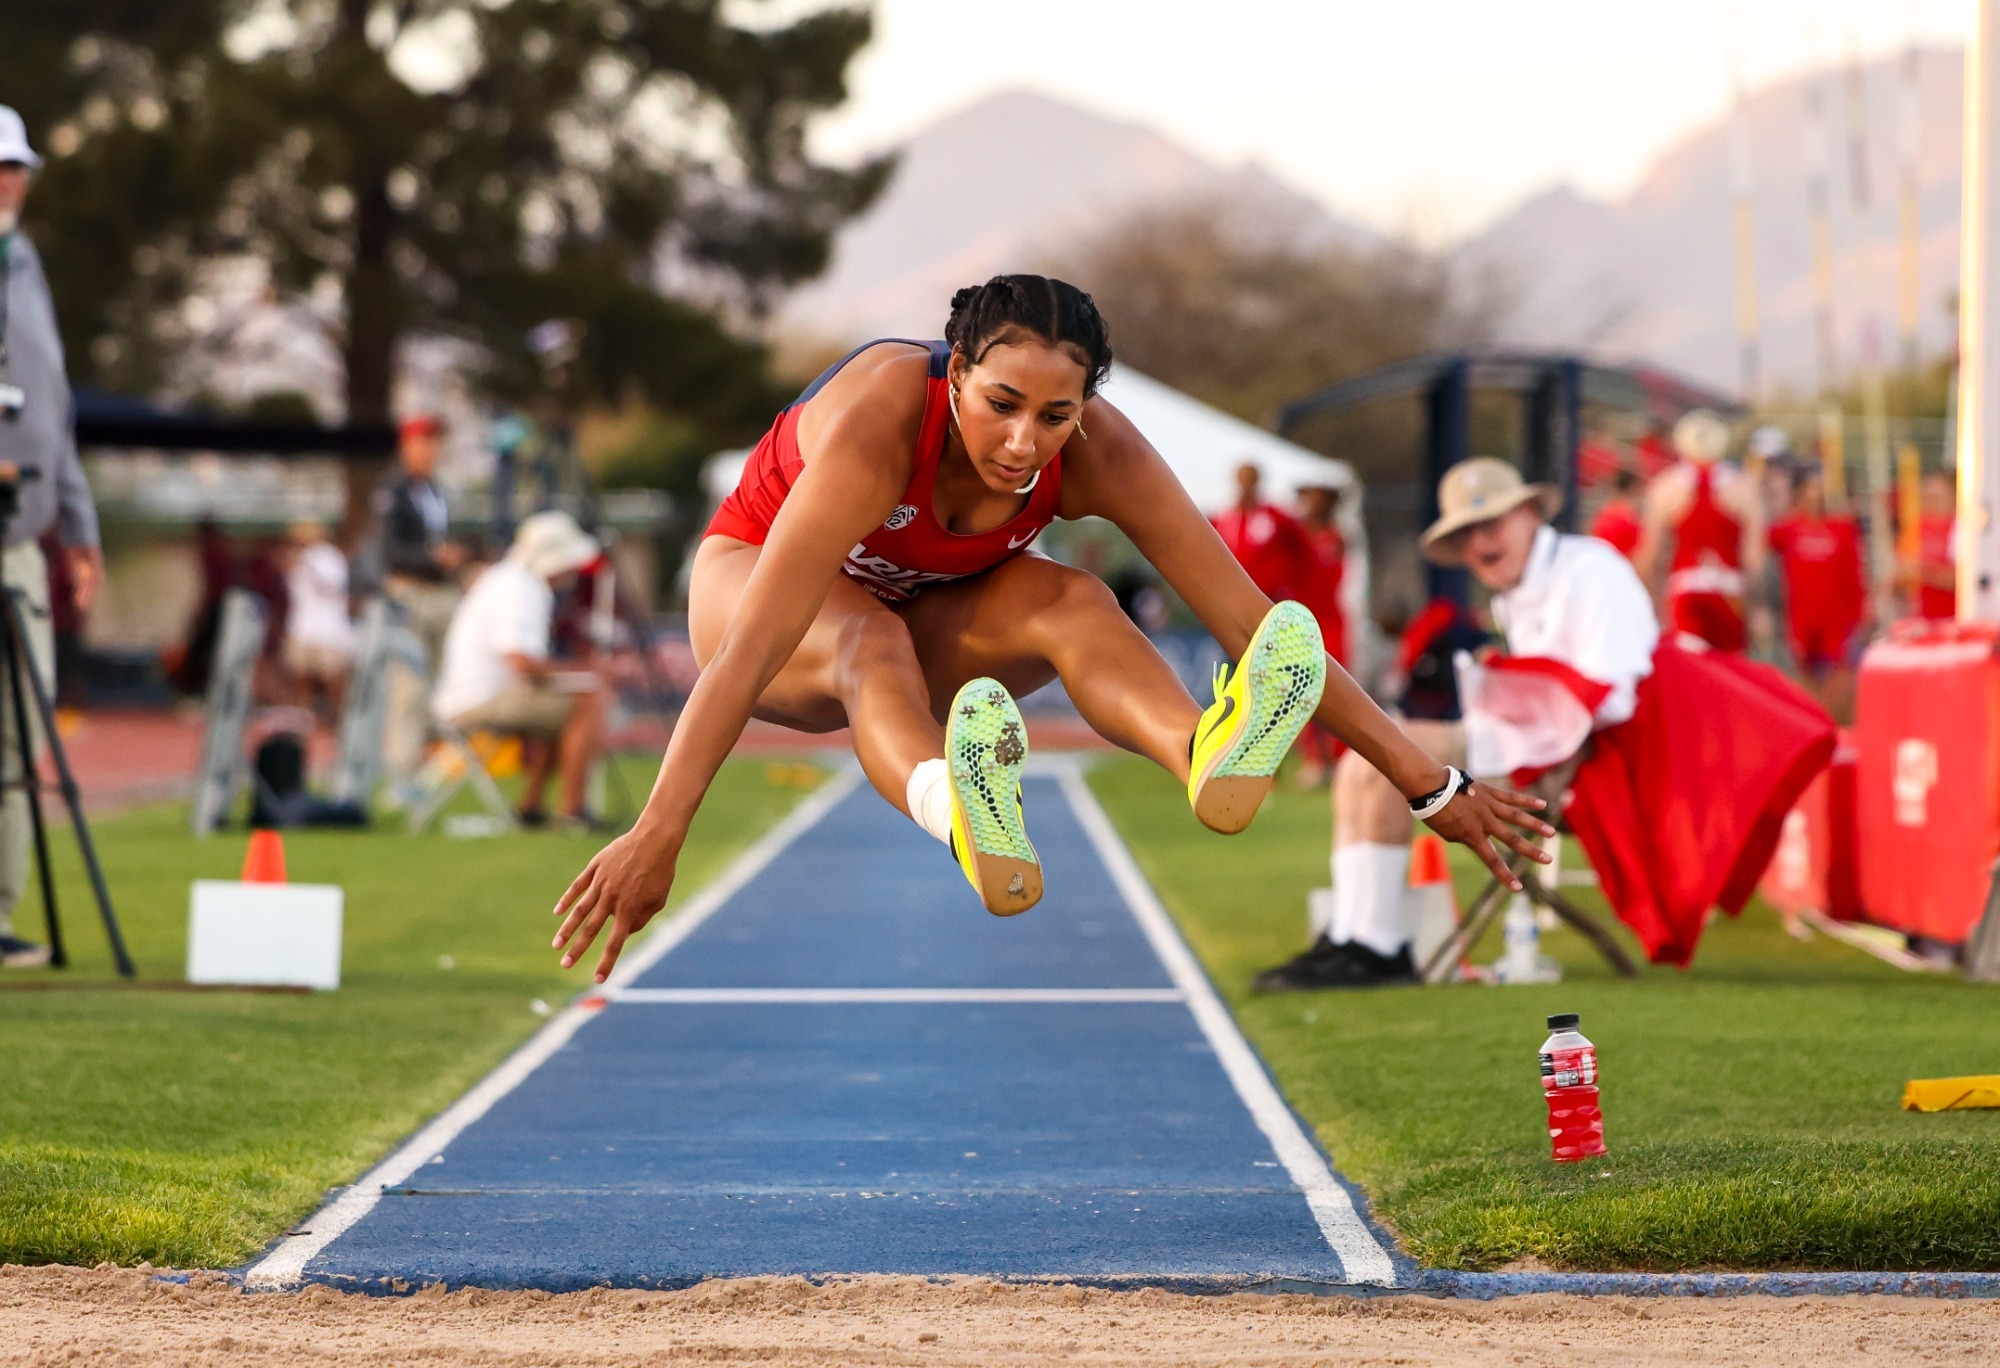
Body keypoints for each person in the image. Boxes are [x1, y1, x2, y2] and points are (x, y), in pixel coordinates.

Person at [552, 275, 1548, 979]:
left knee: (1077, 601)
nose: (1025, 441)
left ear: (1086, 405)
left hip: (923, 613)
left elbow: (1261, 629)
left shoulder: (1099, 451)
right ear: (952, 374)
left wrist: (1429, 786)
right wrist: (658, 827)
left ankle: (1201, 753)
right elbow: (745, 654)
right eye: (1000, 405)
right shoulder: (875, 430)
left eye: (1056, 414)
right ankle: (961, 814)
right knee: (867, 643)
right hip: (755, 601)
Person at [1256, 458, 1656, 990]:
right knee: (1365, 758)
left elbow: (1615, 700)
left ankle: (1376, 948)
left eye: (1489, 524)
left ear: (1531, 514)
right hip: (1528, 751)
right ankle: (1353, 936)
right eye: (1467, 534)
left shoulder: (1591, 569)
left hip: (1581, 770)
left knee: (1379, 759)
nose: (1479, 543)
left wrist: (1514, 684)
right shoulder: (1520, 590)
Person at [0, 107, 106, 967]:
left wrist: (79, 528)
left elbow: (55, 416)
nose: (8, 184)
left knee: (18, 738)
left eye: (16, 169)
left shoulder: (26, 264)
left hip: (22, 542)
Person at [433, 510, 606, 828]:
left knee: (561, 702)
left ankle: (532, 804)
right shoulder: (520, 587)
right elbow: (521, 661)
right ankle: (574, 810)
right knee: (587, 701)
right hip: (478, 699)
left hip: (473, 695)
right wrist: (583, 672)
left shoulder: (509, 579)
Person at [377, 413, 464, 791]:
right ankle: (401, 773)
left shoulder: (436, 491)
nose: (430, 451)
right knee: (409, 686)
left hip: (440, 593)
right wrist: (433, 558)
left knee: (442, 683)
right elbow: (391, 551)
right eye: (422, 442)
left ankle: (431, 764)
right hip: (411, 591)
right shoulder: (394, 493)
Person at [1636, 409, 1763, 653]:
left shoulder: (1665, 487)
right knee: (1731, 674)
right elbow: (1754, 557)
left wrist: (1650, 603)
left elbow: (1649, 555)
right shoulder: (1744, 486)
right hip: (1730, 591)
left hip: (1685, 591)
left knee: (1690, 674)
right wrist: (1756, 605)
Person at [1768, 465, 1866, 720]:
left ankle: (1830, 729)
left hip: (1838, 618)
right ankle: (1816, 727)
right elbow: (1761, 540)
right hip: (1802, 618)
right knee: (1805, 685)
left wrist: (1862, 614)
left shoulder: (1842, 528)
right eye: (1810, 489)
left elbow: (1855, 572)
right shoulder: (1788, 528)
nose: (1815, 495)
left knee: (1839, 683)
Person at [1293, 477, 1350, 785]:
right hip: (1301, 621)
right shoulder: (1296, 534)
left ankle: (1336, 758)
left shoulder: (1335, 537)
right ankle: (1313, 758)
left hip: (1329, 622)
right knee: (1300, 689)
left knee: (1333, 690)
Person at [280, 521, 355, 722]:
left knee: (332, 677)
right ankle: (304, 714)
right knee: (301, 675)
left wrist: (308, 564)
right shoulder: (298, 559)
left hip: (328, 629)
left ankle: (337, 717)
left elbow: (332, 586)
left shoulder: (329, 557)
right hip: (302, 627)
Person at [1211, 462, 1314, 604]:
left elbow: (1302, 550)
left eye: (1250, 480)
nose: (1246, 485)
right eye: (1243, 480)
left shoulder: (1276, 517)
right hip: (1236, 596)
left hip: (1271, 598)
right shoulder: (1224, 519)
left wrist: (1290, 587)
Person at [1911, 470, 1957, 620]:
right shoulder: (1918, 527)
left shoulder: (1963, 528)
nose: (1931, 502)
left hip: (1954, 616)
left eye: (1936, 497)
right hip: (1925, 616)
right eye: (1927, 496)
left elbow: (1964, 577)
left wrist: (1924, 572)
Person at [1588, 467, 1643, 560]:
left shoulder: (1604, 513)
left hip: (1602, 561)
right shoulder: (1628, 518)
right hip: (1619, 564)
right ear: (1633, 487)